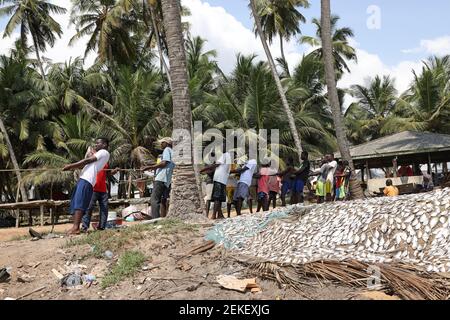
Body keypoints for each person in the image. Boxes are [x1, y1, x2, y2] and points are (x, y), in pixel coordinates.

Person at [63, 138, 110, 235]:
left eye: (98, 143)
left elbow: (88, 160)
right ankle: (75, 227)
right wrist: (71, 167)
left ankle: (76, 228)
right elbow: (83, 165)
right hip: (84, 178)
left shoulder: (104, 152)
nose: (96, 145)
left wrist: (71, 166)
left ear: (104, 144)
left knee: (80, 203)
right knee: (77, 202)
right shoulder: (98, 155)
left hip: (87, 179)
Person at [81, 156, 119, 231]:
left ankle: (101, 227)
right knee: (89, 208)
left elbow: (108, 174)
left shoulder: (105, 162)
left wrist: (115, 171)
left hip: (103, 189)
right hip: (93, 188)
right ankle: (84, 227)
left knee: (104, 208)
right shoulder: (91, 161)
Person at [142, 138, 175, 219]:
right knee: (163, 200)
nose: (161, 145)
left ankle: (155, 219)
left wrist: (150, 167)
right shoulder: (172, 152)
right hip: (166, 180)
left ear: (166, 143)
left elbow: (164, 163)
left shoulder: (167, 150)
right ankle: (163, 217)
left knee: (154, 199)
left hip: (161, 178)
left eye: (162, 143)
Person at [201, 148, 231, 220]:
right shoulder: (227, 156)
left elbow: (216, 165)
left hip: (219, 179)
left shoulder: (224, 155)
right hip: (222, 179)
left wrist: (202, 170)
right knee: (219, 198)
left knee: (217, 198)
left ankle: (214, 215)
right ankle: (220, 215)